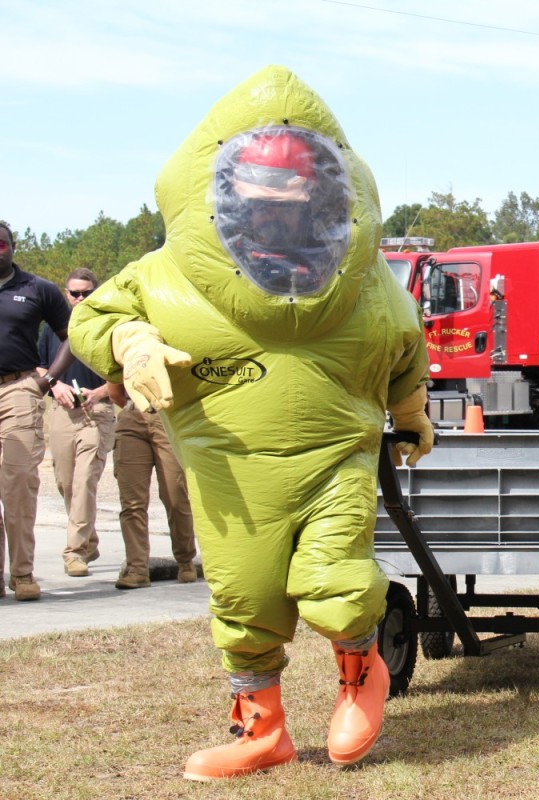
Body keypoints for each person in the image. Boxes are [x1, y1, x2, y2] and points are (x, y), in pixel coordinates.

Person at [69, 66, 433, 780]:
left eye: (295, 206)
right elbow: (95, 314)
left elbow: (405, 343)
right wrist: (130, 343)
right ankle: (259, 727)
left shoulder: (363, 282)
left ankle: (363, 676)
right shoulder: (168, 273)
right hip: (231, 471)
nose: (278, 220)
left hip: (336, 459)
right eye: (262, 206)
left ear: (328, 201)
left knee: (333, 577)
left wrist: (411, 411)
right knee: (245, 592)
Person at [0, 220, 77, 602]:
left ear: (13, 247)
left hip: (18, 388)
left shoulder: (37, 289)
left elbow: (72, 336)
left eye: (1, 243)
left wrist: (47, 380)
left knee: (17, 484)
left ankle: (23, 573)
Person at [38, 267, 116, 578]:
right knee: (65, 482)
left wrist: (97, 393)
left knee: (85, 483)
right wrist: (54, 385)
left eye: (87, 292)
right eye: (75, 293)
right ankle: (89, 539)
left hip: (97, 413)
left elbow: (122, 376)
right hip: (60, 413)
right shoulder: (53, 329)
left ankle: (74, 552)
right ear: (66, 294)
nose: (80, 298)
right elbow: (40, 365)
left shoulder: (108, 326)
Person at [106, 381, 197, 590]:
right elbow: (114, 390)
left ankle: (185, 560)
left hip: (167, 416)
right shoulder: (126, 347)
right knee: (132, 503)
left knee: (175, 496)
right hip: (132, 418)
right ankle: (137, 569)